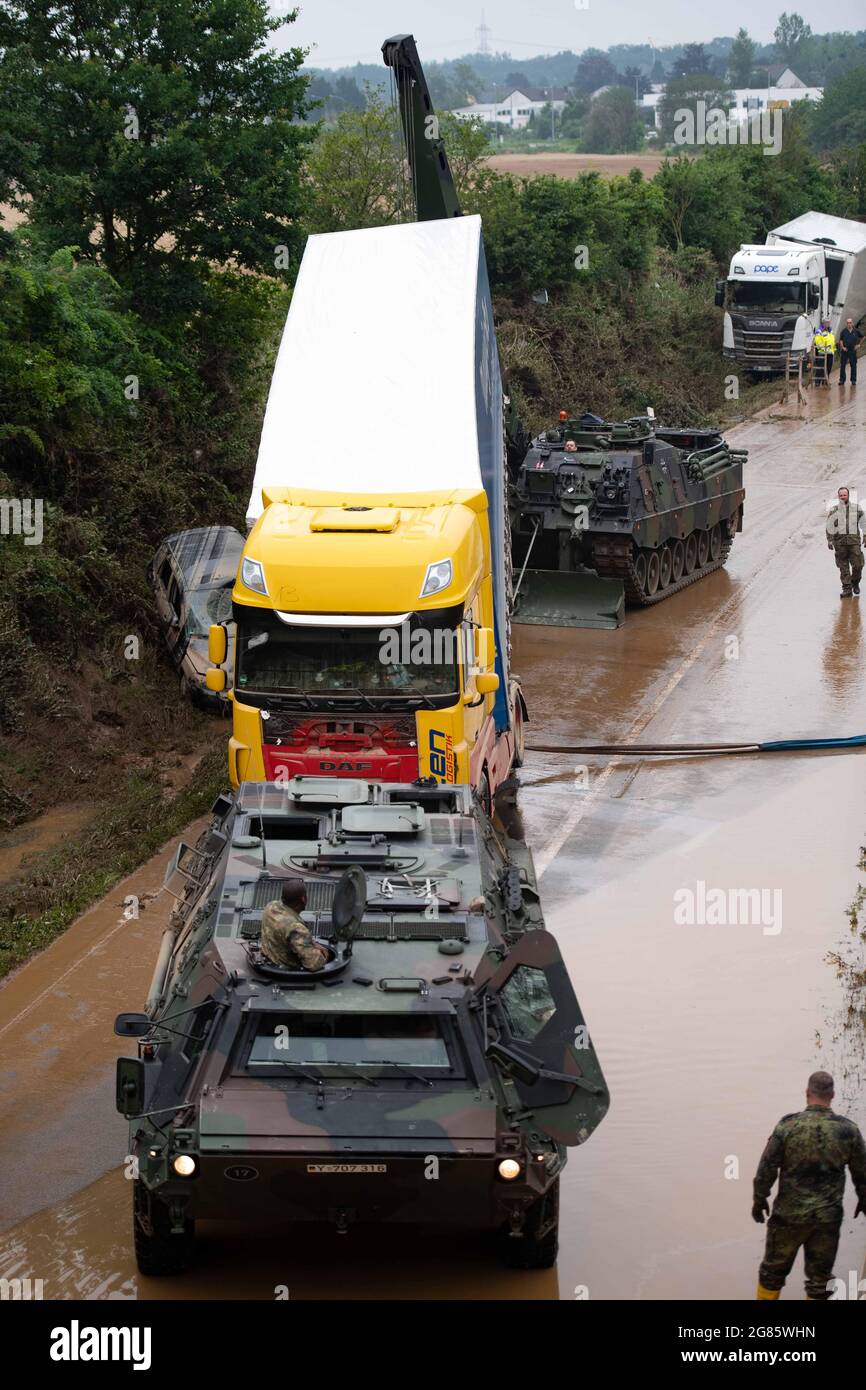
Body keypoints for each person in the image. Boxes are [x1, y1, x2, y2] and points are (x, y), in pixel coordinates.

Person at [752, 1070, 866, 1300]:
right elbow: (862, 1174)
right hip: (827, 1217)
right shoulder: (848, 1131)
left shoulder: (788, 1126)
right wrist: (864, 1198)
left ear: (807, 1093)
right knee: (819, 1281)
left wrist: (759, 1198)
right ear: (832, 1095)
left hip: (788, 1216)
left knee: (771, 1274)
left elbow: (767, 1167)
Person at [259, 878, 327, 970]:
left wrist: (312, 943)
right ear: (303, 899)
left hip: (270, 958)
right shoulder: (296, 928)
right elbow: (314, 964)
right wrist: (324, 953)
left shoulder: (270, 906)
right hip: (285, 970)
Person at [826, 486, 865, 597]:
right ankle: (847, 589)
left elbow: (863, 523)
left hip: (854, 543)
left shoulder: (857, 509)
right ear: (839, 496)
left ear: (848, 495)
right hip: (840, 544)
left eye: (845, 495)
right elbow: (829, 526)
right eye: (841, 495)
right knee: (843, 567)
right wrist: (829, 540)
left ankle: (855, 582)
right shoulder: (834, 510)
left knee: (858, 565)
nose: (843, 497)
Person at [838, 317, 863, 385]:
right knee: (843, 365)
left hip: (852, 350)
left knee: (853, 365)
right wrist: (842, 347)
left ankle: (853, 380)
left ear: (852, 323)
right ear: (846, 324)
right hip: (845, 350)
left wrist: (859, 345)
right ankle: (842, 380)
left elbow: (863, 337)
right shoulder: (843, 331)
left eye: (850, 323)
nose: (849, 324)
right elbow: (841, 340)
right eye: (848, 323)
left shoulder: (856, 331)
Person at [813, 323, 835, 387]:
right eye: (826, 323)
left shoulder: (830, 331)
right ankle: (817, 382)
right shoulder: (819, 332)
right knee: (820, 368)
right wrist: (823, 348)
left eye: (828, 323)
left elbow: (832, 341)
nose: (827, 325)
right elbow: (817, 341)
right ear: (823, 324)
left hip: (830, 353)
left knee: (828, 368)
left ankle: (825, 381)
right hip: (822, 352)